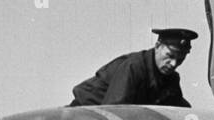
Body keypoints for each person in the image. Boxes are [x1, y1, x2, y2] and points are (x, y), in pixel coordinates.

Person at [68, 28, 197, 107]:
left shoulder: (171, 79)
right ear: (157, 46)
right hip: (84, 116)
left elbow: (178, 109)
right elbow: (115, 109)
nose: (174, 64)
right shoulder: (134, 67)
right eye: (170, 55)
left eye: (180, 59)